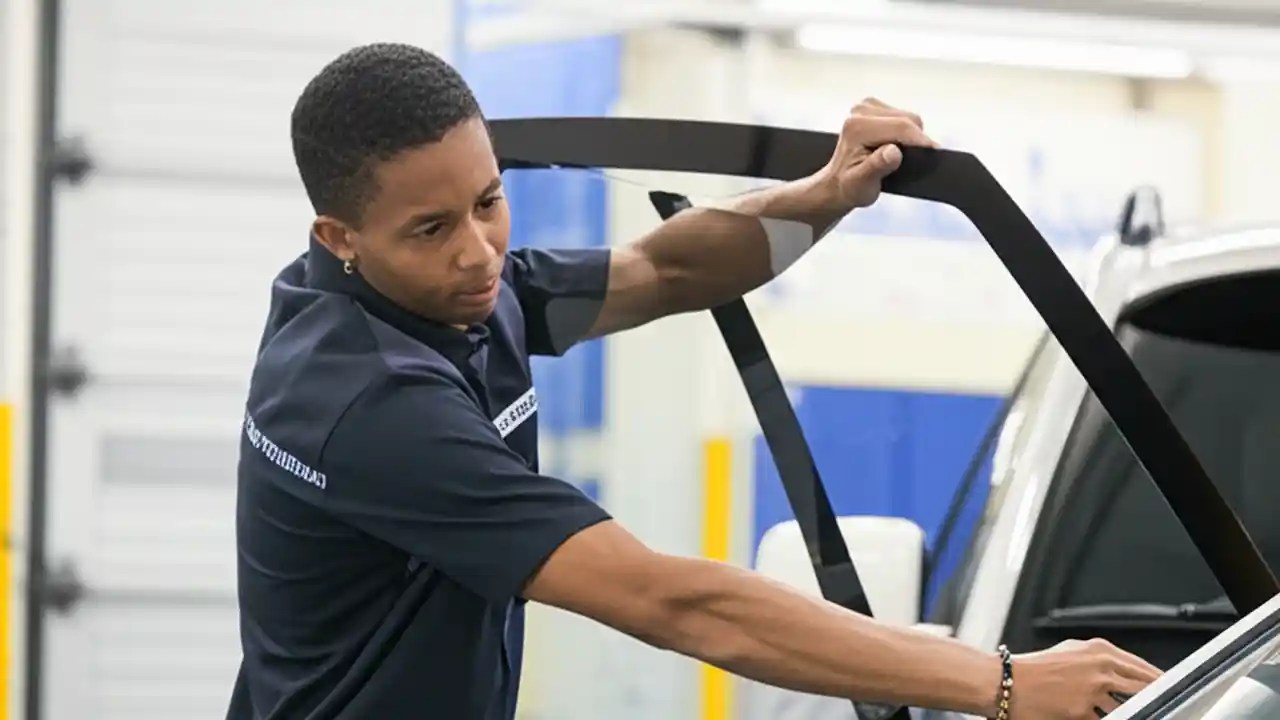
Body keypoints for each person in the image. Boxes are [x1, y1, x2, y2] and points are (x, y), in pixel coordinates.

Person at [226, 42, 1161, 720]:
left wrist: (827, 194)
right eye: (432, 229)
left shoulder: (456, 298)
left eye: (489, 202)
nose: (481, 254)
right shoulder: (365, 402)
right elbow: (673, 601)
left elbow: (666, 270)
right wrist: (1001, 684)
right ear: (338, 239)